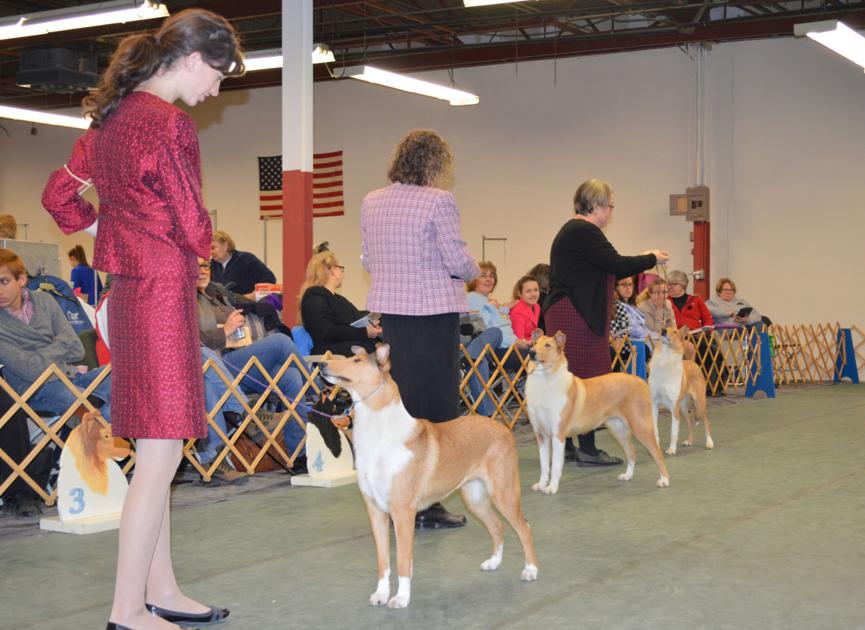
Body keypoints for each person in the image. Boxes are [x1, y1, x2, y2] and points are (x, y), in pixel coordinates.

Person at [41, 9, 244, 629]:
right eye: (216, 74)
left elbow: (57, 197)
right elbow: (193, 224)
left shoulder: (105, 126)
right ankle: (127, 611)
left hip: (131, 293)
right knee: (160, 455)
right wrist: (184, 241)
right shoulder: (170, 126)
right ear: (188, 60)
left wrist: (111, 231)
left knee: (161, 451)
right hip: (159, 292)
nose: (215, 89)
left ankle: (162, 590)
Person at [360, 128, 479, 530]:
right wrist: (474, 270)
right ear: (435, 164)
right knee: (437, 413)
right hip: (432, 315)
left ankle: (398, 500)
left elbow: (367, 258)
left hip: (392, 318)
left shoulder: (371, 201)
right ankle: (427, 503)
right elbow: (457, 261)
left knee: (401, 408)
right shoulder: (439, 201)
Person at [544, 178, 668, 466]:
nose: (611, 213)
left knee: (570, 378)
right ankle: (587, 448)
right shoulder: (584, 231)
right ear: (596, 205)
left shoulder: (573, 231)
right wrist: (651, 257)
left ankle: (570, 442)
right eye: (610, 206)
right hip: (576, 312)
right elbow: (617, 264)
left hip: (567, 309)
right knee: (591, 379)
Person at [195, 259, 310, 470]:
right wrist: (226, 330)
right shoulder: (184, 301)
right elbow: (192, 340)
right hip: (216, 367)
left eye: (205, 266)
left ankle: (299, 455)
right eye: (195, 266)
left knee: (292, 377)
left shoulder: (216, 294)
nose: (202, 271)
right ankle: (317, 390)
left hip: (240, 361)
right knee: (281, 342)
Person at [0, 249, 112, 422]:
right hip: (35, 390)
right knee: (83, 403)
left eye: (4, 281)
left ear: (21, 280)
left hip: (72, 376)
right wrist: (60, 344)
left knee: (123, 377)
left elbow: (77, 350)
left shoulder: (45, 300)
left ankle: (99, 426)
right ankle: (99, 425)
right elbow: (30, 370)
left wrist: (40, 355)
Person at [299, 250, 382, 356]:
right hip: (330, 353)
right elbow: (325, 331)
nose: (341, 272)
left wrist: (372, 323)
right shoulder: (314, 296)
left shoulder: (338, 299)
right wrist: (364, 332)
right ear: (331, 270)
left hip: (348, 347)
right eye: (339, 268)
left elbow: (356, 317)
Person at [667, 270, 725, 395]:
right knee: (700, 348)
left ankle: (713, 386)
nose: (669, 287)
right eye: (669, 284)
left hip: (697, 334)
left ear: (683, 285)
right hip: (677, 337)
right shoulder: (666, 302)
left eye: (674, 284)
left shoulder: (696, 300)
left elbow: (707, 318)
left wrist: (706, 330)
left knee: (713, 349)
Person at [466, 261, 529, 368]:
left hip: (508, 347)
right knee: (538, 358)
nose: (489, 279)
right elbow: (481, 330)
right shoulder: (472, 298)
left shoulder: (491, 301)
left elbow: (504, 328)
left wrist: (503, 309)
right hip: (497, 350)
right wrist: (514, 342)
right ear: (473, 279)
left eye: (492, 276)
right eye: (483, 275)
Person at [210, 229, 276, 296]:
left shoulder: (247, 259)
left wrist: (253, 295)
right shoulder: (211, 265)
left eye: (213, 248)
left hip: (247, 304)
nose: (210, 252)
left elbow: (270, 279)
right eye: (208, 249)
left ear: (225, 245)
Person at [610, 275, 652, 368]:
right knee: (641, 347)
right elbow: (633, 330)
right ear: (616, 287)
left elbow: (642, 327)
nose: (628, 287)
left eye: (630, 284)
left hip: (636, 341)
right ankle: (636, 379)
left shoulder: (632, 306)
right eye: (624, 285)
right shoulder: (618, 306)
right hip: (624, 343)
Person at [509, 275, 541, 342]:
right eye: (528, 291)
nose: (533, 294)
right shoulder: (517, 310)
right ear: (519, 293)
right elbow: (519, 339)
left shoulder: (536, 306)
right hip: (520, 348)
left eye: (536, 290)